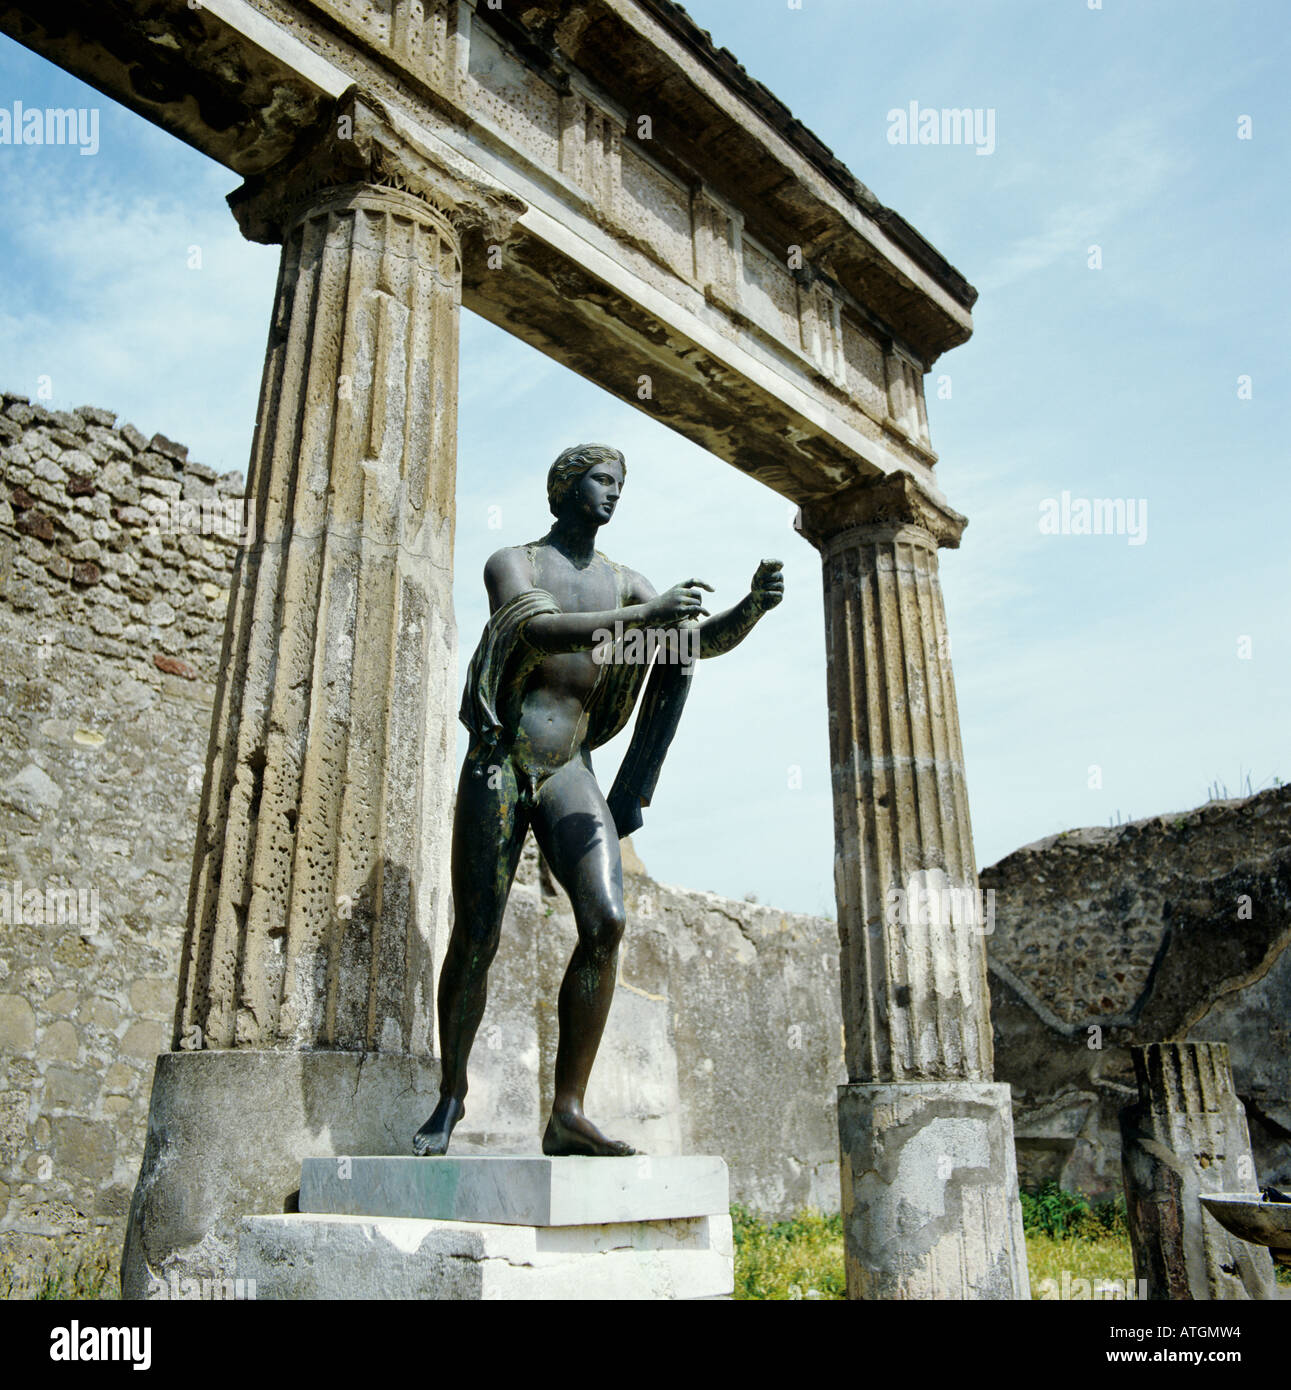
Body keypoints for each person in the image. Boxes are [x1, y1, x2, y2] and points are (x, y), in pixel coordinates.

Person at [414, 444, 783, 1157]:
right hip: (500, 759)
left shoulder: (627, 584)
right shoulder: (512, 562)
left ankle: (568, 1112)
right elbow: (533, 628)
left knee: (606, 920)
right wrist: (645, 616)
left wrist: (749, 609)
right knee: (477, 935)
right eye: (601, 480)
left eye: (621, 483)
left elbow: (688, 646)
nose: (613, 493)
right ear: (563, 487)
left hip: (568, 770)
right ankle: (451, 1095)